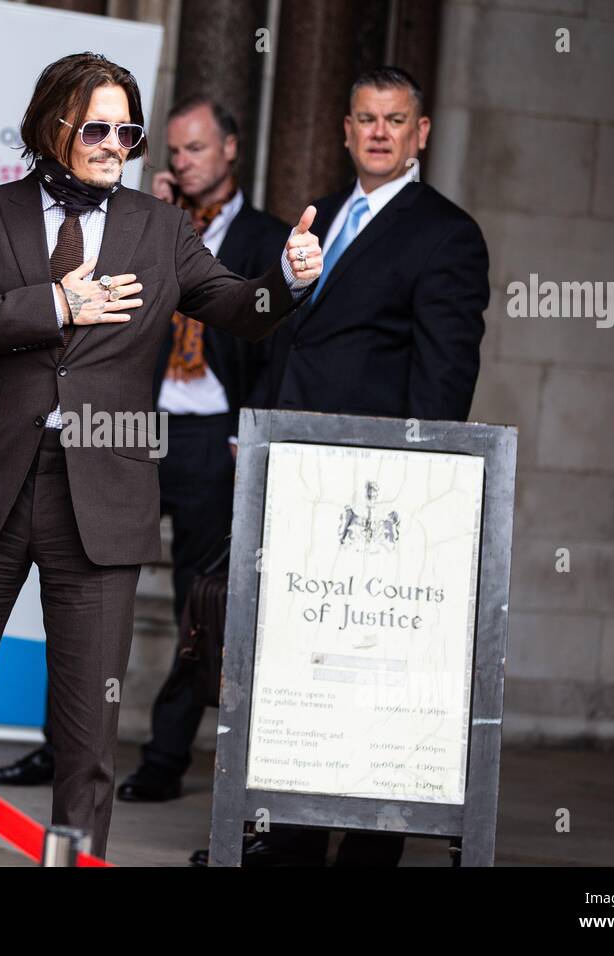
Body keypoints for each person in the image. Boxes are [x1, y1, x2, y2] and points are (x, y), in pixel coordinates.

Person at [0, 52, 323, 865]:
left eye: (129, 130)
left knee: (88, 734)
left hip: (102, 497)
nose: (114, 143)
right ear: (53, 124)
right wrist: (54, 303)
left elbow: (238, 306)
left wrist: (287, 281)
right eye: (96, 127)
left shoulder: (161, 229)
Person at [192, 66, 489, 867]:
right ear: (347, 128)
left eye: (396, 119)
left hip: (373, 503)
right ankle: (282, 840)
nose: (381, 131)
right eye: (366, 118)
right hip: (291, 482)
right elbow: (277, 334)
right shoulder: (319, 216)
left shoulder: (446, 233)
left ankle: (364, 855)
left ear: (421, 133)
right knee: (293, 670)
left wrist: (411, 492)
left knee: (370, 684)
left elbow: (443, 384)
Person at [0, 95, 291, 799]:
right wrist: (140, 224)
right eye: (174, 149)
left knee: (196, 603)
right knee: (74, 576)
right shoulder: (137, 222)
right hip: (125, 425)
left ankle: (163, 760)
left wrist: (255, 429)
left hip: (217, 438)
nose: (182, 160)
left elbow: (266, 332)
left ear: (230, 151)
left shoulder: (262, 232)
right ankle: (60, 750)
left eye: (197, 149)